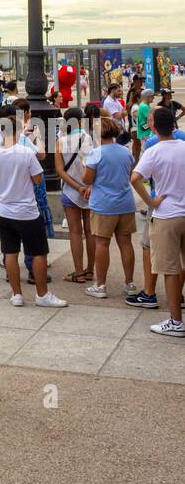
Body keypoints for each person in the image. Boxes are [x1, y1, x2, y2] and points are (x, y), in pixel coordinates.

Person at [0, 104, 66, 307]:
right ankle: (42, 294)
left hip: (4, 211)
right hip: (27, 211)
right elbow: (38, 180)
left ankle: (16, 294)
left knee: (10, 253)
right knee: (38, 252)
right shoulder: (26, 153)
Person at [132, 106, 185, 336]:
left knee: (170, 269)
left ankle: (175, 321)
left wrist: (151, 202)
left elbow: (135, 178)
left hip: (166, 215)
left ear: (153, 126)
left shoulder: (153, 150)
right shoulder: (184, 146)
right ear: (174, 124)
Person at [82, 115, 137, 299]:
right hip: (125, 202)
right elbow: (130, 173)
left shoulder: (96, 153)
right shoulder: (125, 151)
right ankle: (129, 283)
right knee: (126, 243)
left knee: (102, 244)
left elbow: (87, 180)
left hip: (104, 204)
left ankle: (101, 284)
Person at [54, 107, 95, 284]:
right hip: (90, 191)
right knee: (90, 231)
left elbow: (59, 170)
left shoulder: (60, 141)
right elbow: (92, 165)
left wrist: (77, 187)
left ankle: (78, 272)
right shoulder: (88, 138)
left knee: (75, 233)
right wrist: (88, 186)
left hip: (71, 191)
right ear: (79, 121)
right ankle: (90, 270)